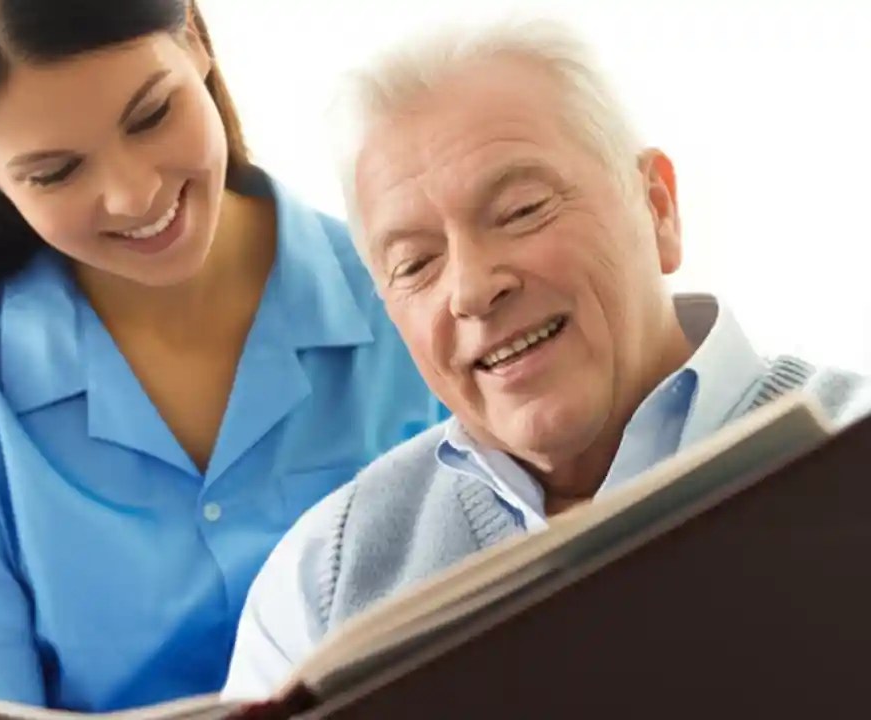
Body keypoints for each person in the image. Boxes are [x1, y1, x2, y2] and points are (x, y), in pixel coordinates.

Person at [221, 18, 867, 700]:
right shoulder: (319, 585)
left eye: (521, 210)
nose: (471, 289)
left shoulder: (854, 444)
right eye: (415, 264)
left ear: (659, 209)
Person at [0, 0, 442, 712]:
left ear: (192, 36)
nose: (134, 194)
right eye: (56, 172)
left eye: (151, 115)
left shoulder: (420, 297)